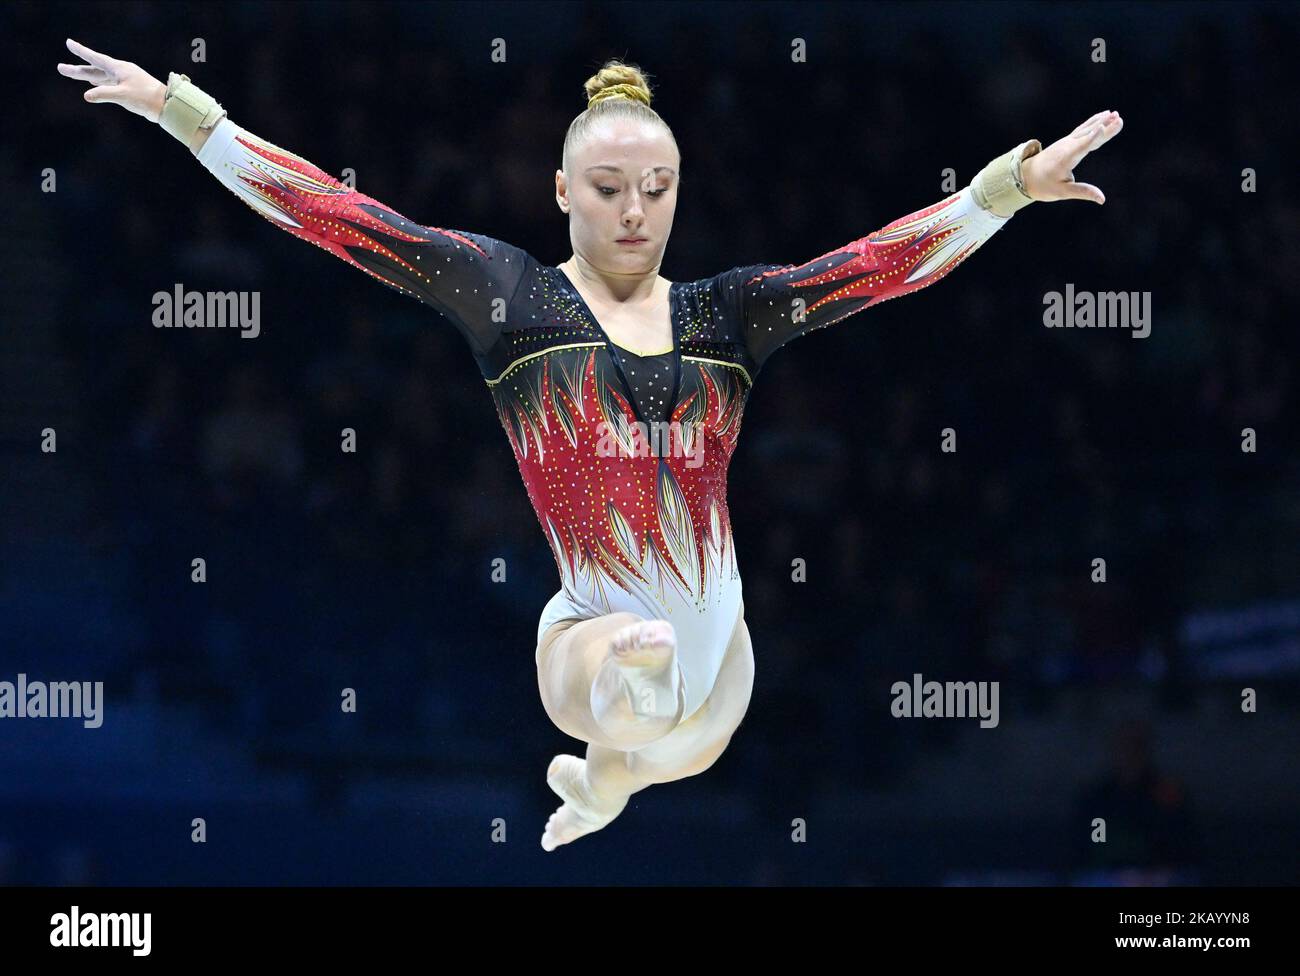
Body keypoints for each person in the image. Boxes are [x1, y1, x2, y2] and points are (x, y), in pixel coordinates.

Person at [58, 41, 1124, 851]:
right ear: (563, 191)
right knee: (593, 678)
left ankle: (610, 775)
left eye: (653, 190)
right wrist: (184, 113)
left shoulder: (729, 317)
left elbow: (878, 265)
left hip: (722, 659)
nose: (631, 212)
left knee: (661, 747)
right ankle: (616, 721)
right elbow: (337, 217)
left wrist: (1007, 189)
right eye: (607, 189)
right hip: (592, 619)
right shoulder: (509, 299)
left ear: (677, 195)